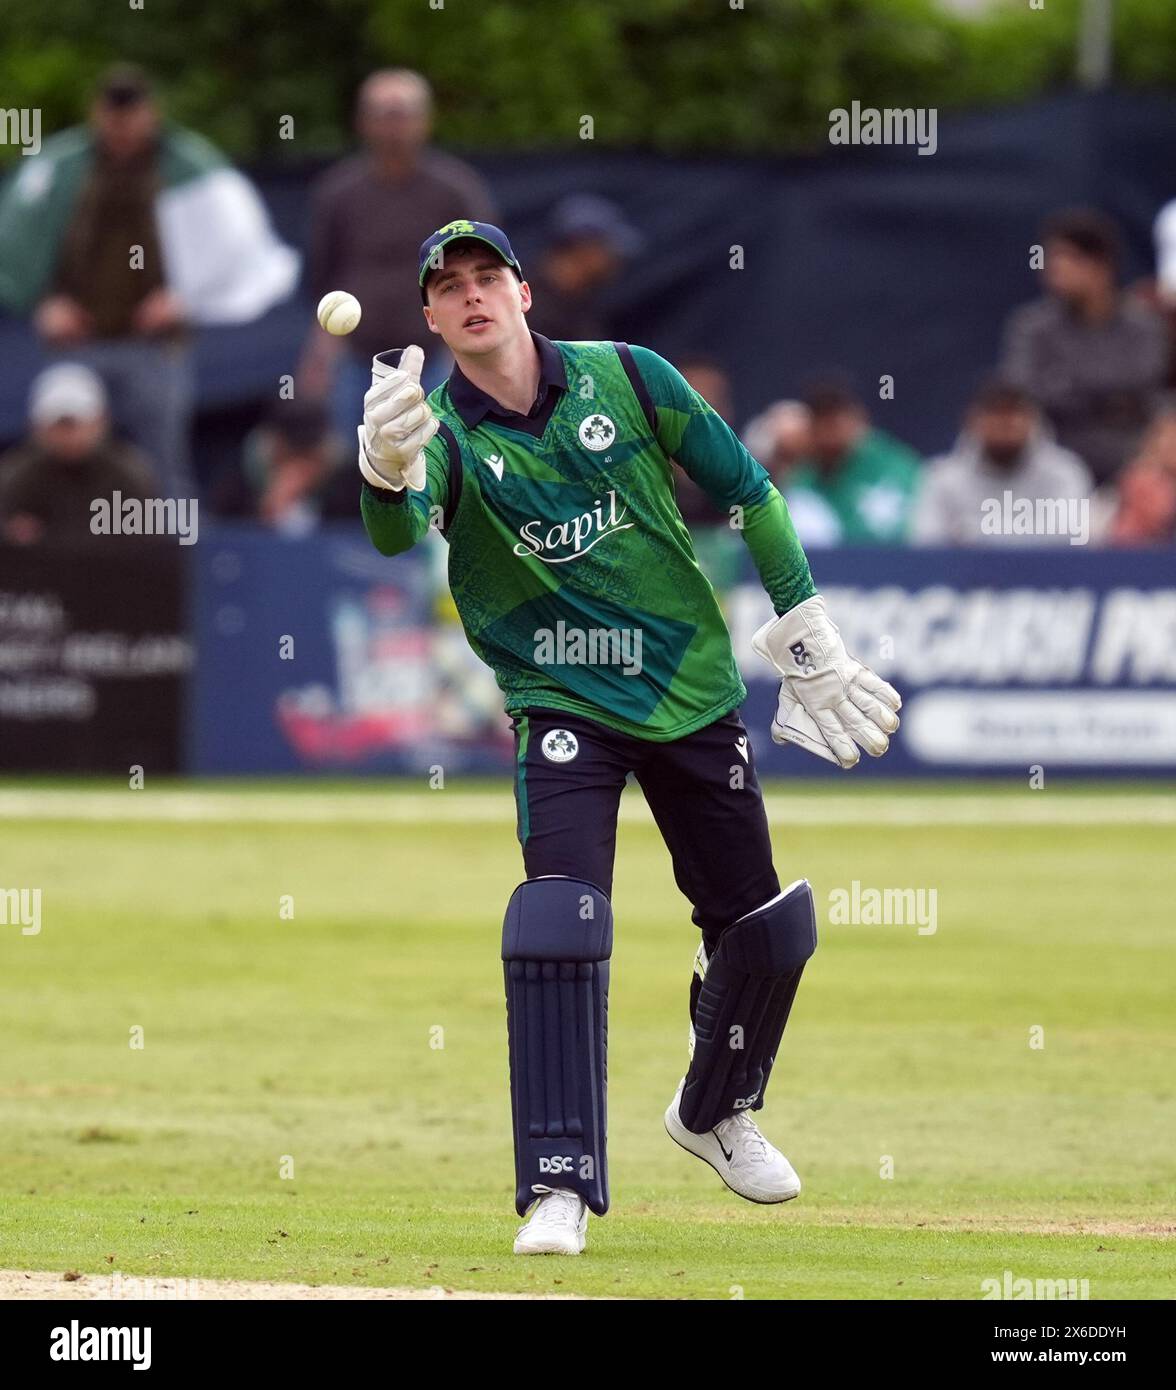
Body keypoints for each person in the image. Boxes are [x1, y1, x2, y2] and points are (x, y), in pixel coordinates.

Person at [356, 220, 901, 1256]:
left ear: (523, 292)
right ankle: (557, 1182)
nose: (471, 297)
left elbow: (749, 489)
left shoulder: (633, 378)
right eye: (448, 287)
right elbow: (395, 528)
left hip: (691, 688)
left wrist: (807, 631)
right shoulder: (437, 432)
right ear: (429, 315)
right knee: (561, 922)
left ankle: (716, 1110)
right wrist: (384, 471)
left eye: (487, 277)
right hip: (559, 699)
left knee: (764, 931)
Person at [0, 64, 299, 501]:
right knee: (61, 458)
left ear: (150, 113)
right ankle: (59, 557)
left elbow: (239, 246)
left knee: (164, 468)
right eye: (112, 113)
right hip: (78, 344)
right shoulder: (60, 170)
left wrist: (186, 300)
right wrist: (42, 303)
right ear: (96, 113)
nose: (122, 126)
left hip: (152, 346)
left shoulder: (190, 167)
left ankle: (171, 563)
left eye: (132, 113)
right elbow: (16, 243)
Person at [300, 69, 497, 441]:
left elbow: (487, 276)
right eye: (383, 114)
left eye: (402, 114)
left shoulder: (457, 191)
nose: (394, 127)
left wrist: (474, 351)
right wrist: (319, 358)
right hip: (355, 359)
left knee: (444, 455)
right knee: (354, 462)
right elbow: (323, 279)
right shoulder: (336, 193)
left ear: (425, 120)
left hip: (442, 356)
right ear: (362, 122)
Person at [1001, 208, 1167, 486]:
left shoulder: (1144, 325)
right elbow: (1024, 392)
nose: (1054, 269)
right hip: (1051, 468)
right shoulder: (1030, 327)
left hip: (1134, 467)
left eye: (1067, 258)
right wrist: (1113, 395)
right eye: (1051, 259)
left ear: (1101, 266)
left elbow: (1148, 385)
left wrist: (1066, 382)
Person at [913, 378, 1093, 546]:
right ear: (972, 421)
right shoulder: (942, 477)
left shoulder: (1065, 472)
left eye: (1014, 413)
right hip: (965, 576)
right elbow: (927, 540)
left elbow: (1069, 535)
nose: (1005, 423)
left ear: (1034, 421)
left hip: (1048, 577)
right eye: (995, 413)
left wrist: (973, 533)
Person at [0, 363, 151, 545]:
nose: (69, 435)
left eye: (77, 424)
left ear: (101, 422)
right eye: (59, 425)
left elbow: (147, 545)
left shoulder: (129, 474)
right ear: (37, 427)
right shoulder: (14, 476)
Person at [786, 380, 921, 544]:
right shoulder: (802, 478)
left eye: (836, 418)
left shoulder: (892, 465)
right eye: (820, 418)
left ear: (859, 418)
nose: (828, 429)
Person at [209, 398, 356, 536]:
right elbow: (223, 542)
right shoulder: (236, 482)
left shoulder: (350, 483)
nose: (297, 467)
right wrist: (267, 509)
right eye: (288, 456)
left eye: (307, 456)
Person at [522, 194, 643, 343]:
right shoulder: (526, 303)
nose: (616, 260)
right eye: (608, 248)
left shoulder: (580, 306)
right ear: (583, 248)